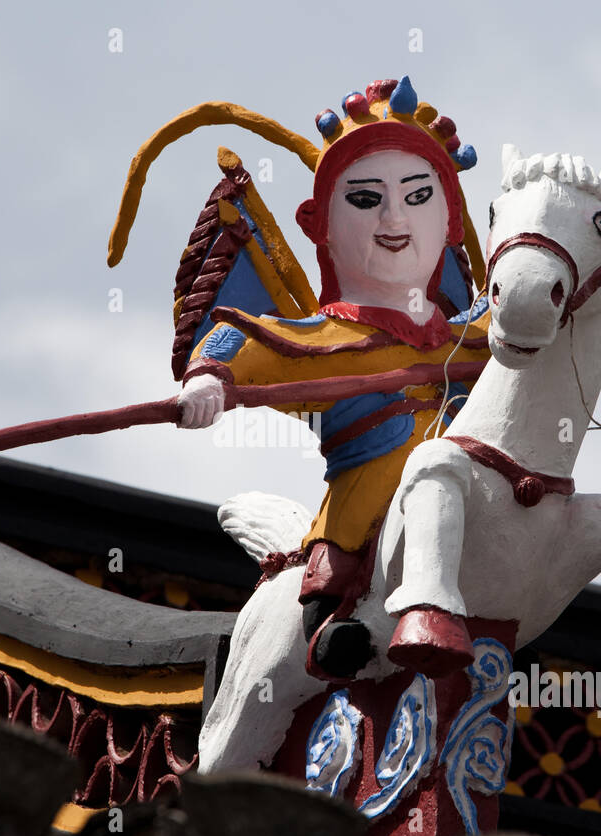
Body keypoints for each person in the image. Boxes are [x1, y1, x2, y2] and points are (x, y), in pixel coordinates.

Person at [114, 77, 491, 681]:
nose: (396, 218)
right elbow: (240, 337)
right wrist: (210, 378)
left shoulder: (481, 334)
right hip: (361, 520)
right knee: (343, 564)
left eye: (419, 197)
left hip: (486, 504)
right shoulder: (319, 344)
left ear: (450, 220)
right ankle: (325, 622)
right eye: (367, 200)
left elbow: (543, 312)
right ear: (318, 223)